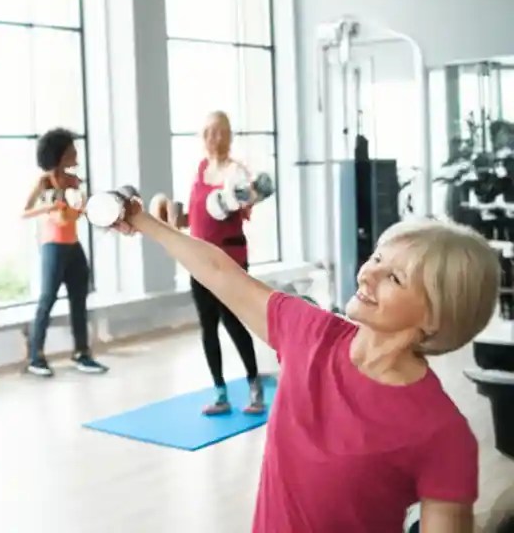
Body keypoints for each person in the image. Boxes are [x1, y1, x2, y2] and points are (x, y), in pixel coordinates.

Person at [107, 199, 497, 532]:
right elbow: (219, 271)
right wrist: (140, 218)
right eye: (377, 258)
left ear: (436, 315)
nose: (368, 273)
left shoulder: (441, 432)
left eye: (394, 277)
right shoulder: (310, 334)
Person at [180, 111, 266, 415]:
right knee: (208, 326)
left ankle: (255, 388)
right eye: (208, 132)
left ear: (229, 136)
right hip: (199, 261)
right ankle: (220, 393)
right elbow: (196, 216)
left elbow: (247, 199)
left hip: (228, 260)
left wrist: (248, 196)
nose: (213, 138)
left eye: (220, 132)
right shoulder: (200, 169)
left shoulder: (235, 172)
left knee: (233, 321)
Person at [21, 128, 108, 377]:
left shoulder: (73, 182)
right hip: (53, 247)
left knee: (79, 300)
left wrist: (78, 208)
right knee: (47, 299)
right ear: (59, 154)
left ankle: (82, 353)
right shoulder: (44, 182)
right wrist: (49, 207)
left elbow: (81, 210)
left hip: (73, 246)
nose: (75, 154)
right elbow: (24, 211)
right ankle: (36, 357)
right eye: (71, 151)